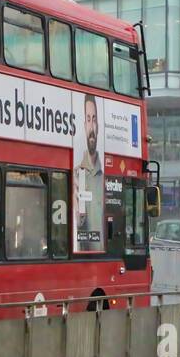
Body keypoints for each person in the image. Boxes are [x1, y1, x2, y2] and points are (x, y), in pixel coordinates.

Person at [74, 94, 104, 251]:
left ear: (98, 125)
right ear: (84, 125)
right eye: (88, 119)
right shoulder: (75, 176)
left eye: (94, 119)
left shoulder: (108, 180)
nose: (91, 127)